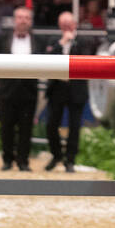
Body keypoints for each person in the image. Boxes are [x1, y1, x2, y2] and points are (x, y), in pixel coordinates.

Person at [43, 11, 92, 172]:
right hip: (57, 88)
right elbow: (48, 60)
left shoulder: (84, 40)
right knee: (51, 125)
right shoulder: (54, 41)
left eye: (68, 24)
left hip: (76, 89)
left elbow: (86, 61)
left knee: (74, 126)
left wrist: (72, 43)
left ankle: (70, 160)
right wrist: (62, 44)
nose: (66, 27)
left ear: (75, 25)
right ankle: (56, 155)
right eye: (63, 25)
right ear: (59, 26)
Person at [0, 6, 38, 171]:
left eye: (26, 17)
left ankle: (23, 161)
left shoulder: (37, 41)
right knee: (6, 128)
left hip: (29, 93)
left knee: (26, 129)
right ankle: (7, 160)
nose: (23, 20)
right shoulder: (1, 39)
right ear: (14, 20)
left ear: (30, 21)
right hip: (7, 91)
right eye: (20, 17)